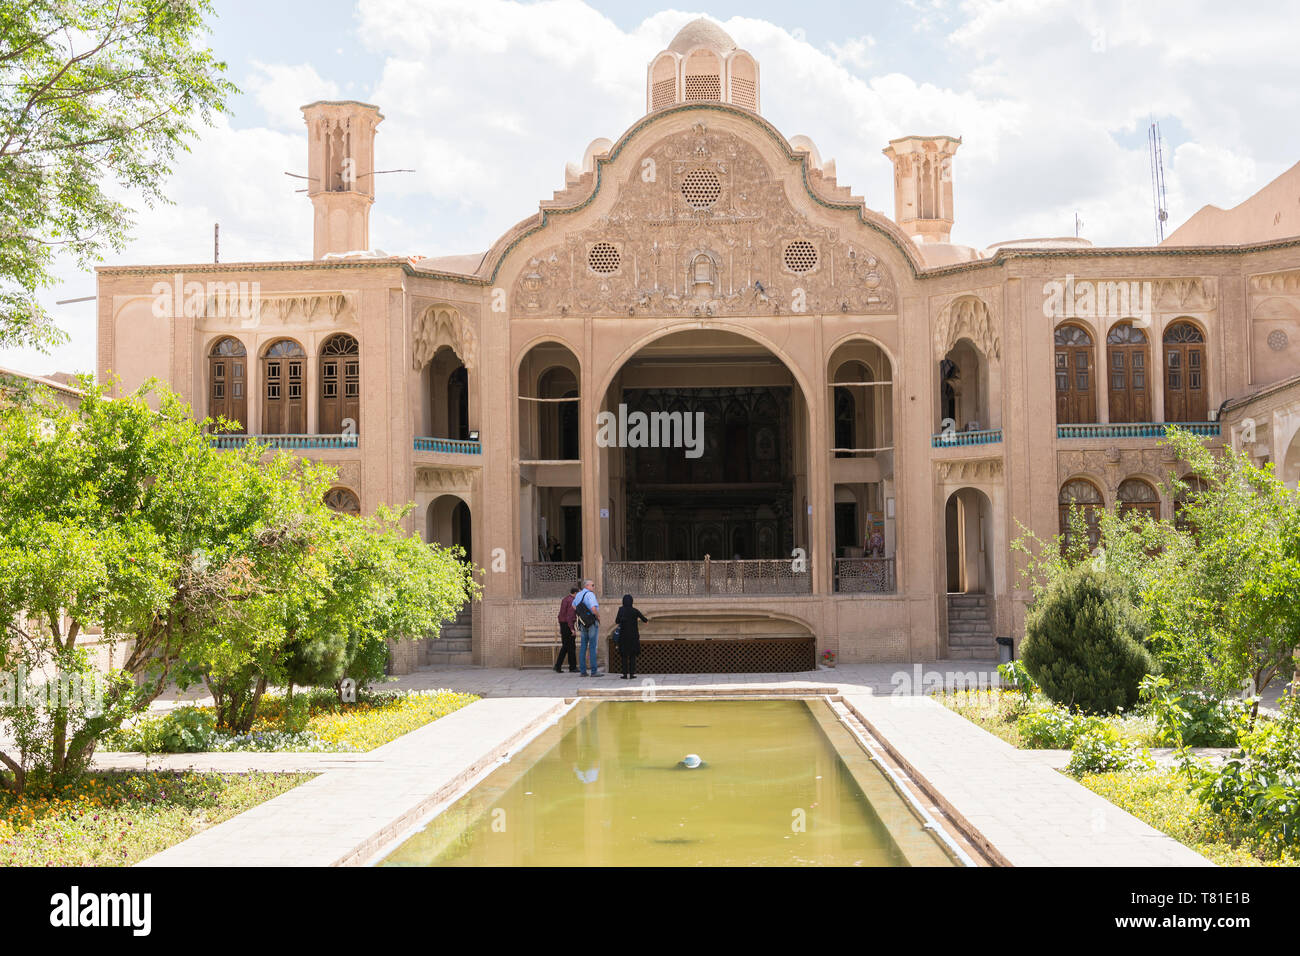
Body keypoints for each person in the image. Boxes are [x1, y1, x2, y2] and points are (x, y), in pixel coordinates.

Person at [614, 593, 649, 680]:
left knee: (624, 656)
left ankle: (625, 674)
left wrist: (622, 619)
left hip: (623, 636)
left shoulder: (621, 610)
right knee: (632, 656)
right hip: (633, 636)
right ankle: (632, 674)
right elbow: (644, 619)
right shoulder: (635, 611)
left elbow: (617, 621)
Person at [572, 578, 602, 677]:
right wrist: (598, 616)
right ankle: (594, 671)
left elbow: (574, 606)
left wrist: (582, 614)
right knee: (592, 646)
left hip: (583, 623)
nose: (594, 587)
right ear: (587, 586)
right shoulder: (590, 595)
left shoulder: (579, 594)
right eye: (592, 585)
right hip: (591, 622)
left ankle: (583, 671)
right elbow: (593, 609)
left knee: (583, 646)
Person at [554, 586, 579, 673]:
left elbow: (560, 615)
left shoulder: (565, 599)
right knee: (570, 647)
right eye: (578, 593)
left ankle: (559, 666)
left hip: (563, 624)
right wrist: (572, 629)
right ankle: (571, 667)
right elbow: (569, 616)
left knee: (566, 646)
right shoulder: (572, 601)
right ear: (575, 593)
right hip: (568, 625)